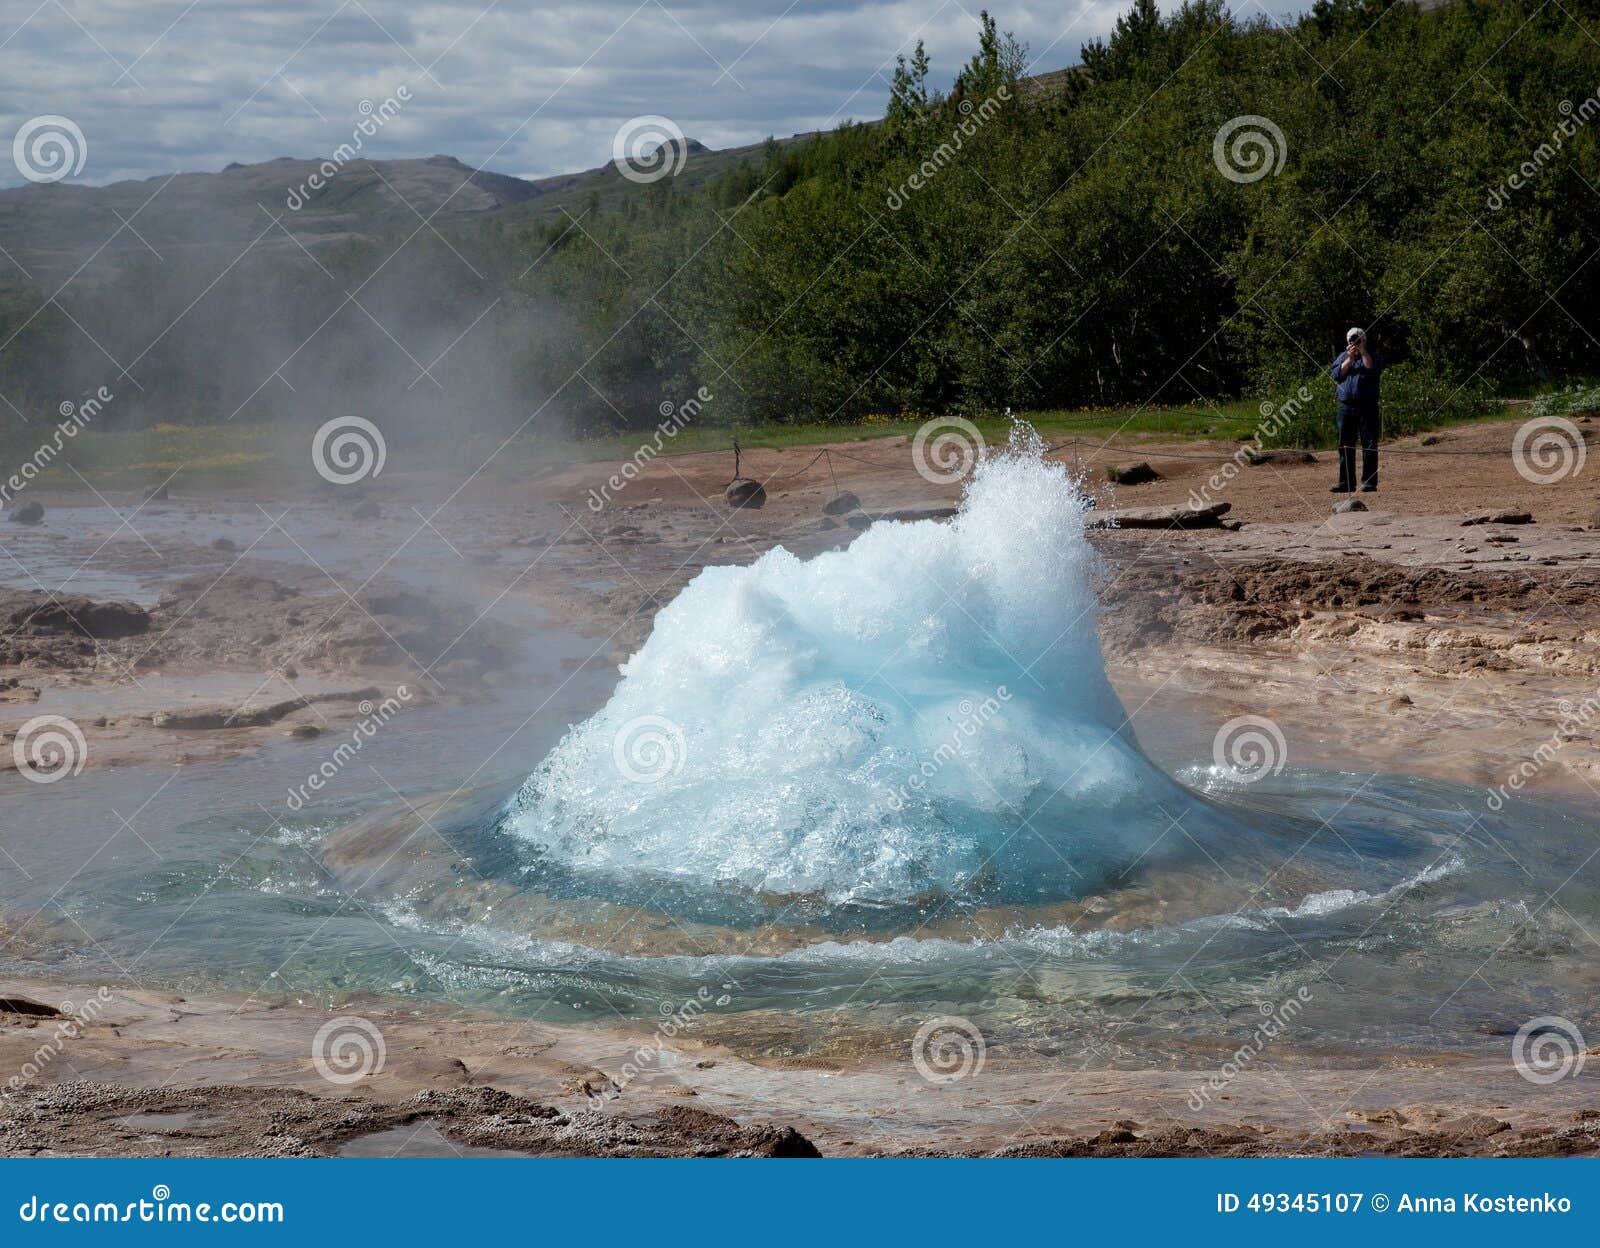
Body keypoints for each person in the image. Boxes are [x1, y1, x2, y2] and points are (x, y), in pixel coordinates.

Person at [1330, 326, 1382, 493]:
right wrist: (1350, 358)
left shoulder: (1372, 356)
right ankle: (1345, 482)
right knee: (1345, 445)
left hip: (1367, 406)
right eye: (1353, 340)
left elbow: (1370, 368)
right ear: (1347, 342)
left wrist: (1363, 352)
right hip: (1346, 406)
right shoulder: (1342, 357)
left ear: (1364, 340)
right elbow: (1336, 374)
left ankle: (1369, 482)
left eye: (1358, 339)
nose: (1356, 342)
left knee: (1369, 444)